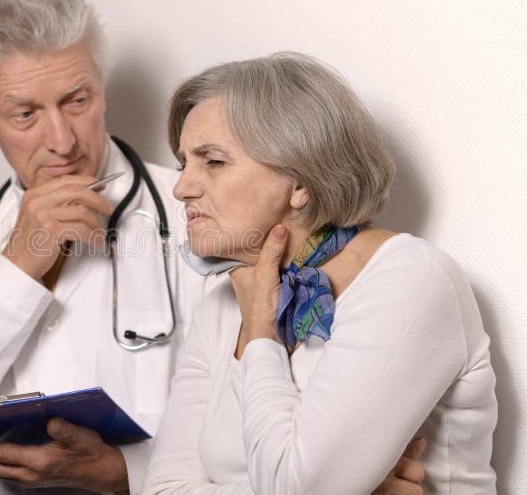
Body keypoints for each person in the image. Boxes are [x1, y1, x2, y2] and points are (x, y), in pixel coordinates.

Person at [0, 0, 428, 494]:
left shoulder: (212, 219)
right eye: (24, 114)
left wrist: (121, 470)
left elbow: (271, 434)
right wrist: (17, 266)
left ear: (101, 87)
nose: (62, 141)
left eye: (77, 100)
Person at [142, 53, 497, 494]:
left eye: (212, 161)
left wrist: (260, 335)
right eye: (183, 164)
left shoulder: (408, 280)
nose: (181, 188)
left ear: (299, 182)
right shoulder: (225, 298)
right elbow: (161, 488)